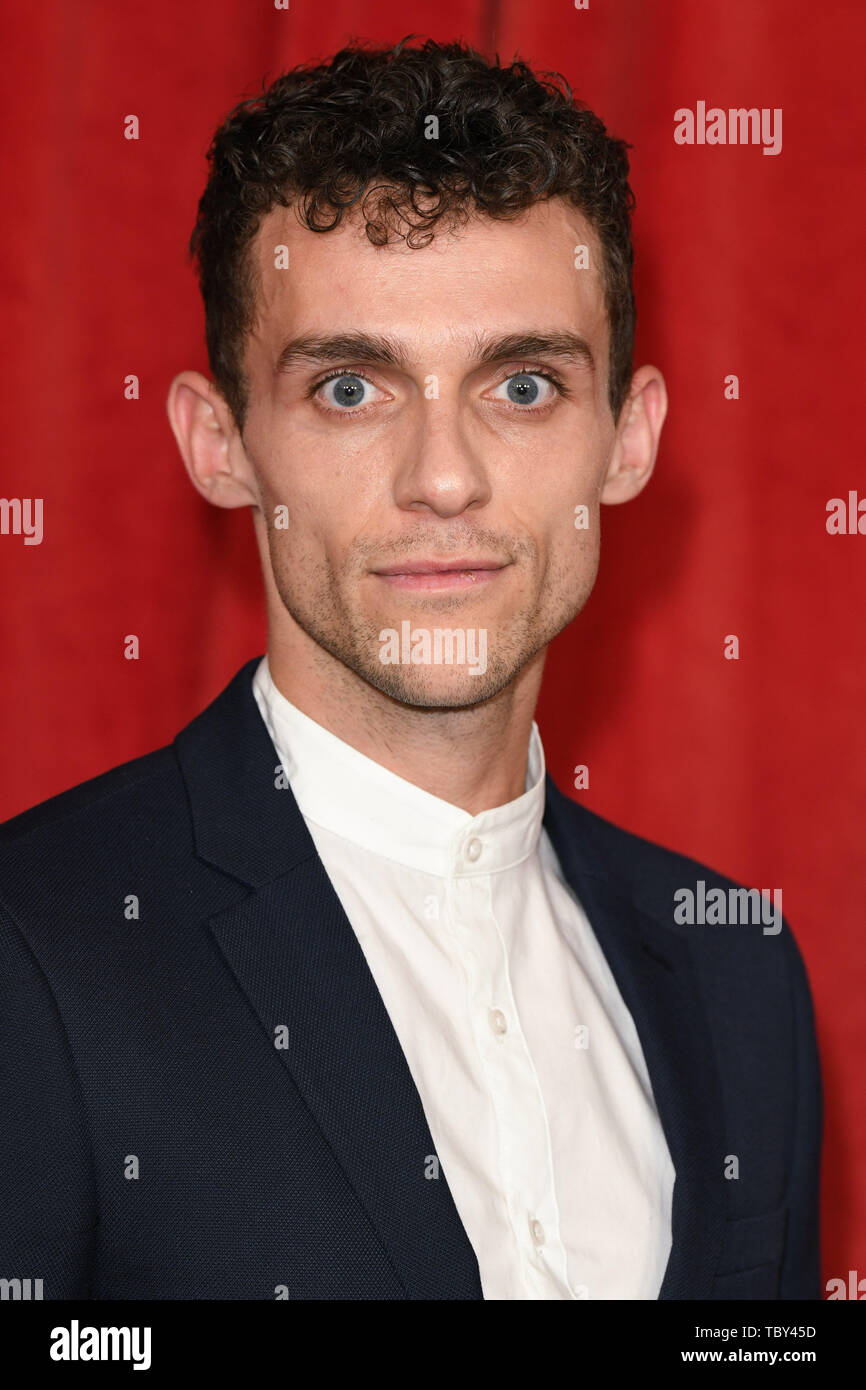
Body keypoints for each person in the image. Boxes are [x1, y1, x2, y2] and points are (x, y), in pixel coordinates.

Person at [0, 36, 820, 1300]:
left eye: (524, 384)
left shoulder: (740, 972)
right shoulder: (35, 947)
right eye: (348, 389)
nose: (443, 477)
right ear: (220, 445)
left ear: (628, 436)